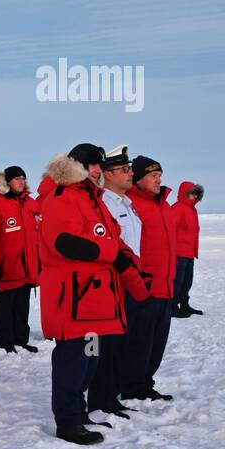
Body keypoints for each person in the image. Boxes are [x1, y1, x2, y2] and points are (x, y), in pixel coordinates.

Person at [38, 143, 147, 445]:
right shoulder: (62, 199)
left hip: (93, 300)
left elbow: (111, 236)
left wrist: (128, 262)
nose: (100, 170)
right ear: (79, 166)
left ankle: (79, 413)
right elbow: (66, 243)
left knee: (89, 361)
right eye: (95, 165)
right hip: (73, 299)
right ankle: (68, 422)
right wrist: (114, 253)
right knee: (73, 363)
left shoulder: (91, 198)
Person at [87, 145, 141, 419]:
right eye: (124, 170)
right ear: (107, 174)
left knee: (121, 345)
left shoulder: (126, 204)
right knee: (103, 346)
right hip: (110, 284)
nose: (130, 174)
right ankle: (99, 398)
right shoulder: (104, 203)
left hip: (128, 281)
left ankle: (112, 396)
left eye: (129, 169)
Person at [123, 156, 178, 401]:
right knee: (139, 341)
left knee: (157, 342)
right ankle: (132, 385)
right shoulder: (131, 204)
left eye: (159, 175)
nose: (158, 180)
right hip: (144, 287)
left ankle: (145, 382)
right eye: (153, 175)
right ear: (138, 178)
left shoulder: (164, 205)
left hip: (165, 286)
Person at [0, 166, 40, 353]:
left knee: (22, 304)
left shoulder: (29, 202)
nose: (21, 182)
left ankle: (21, 339)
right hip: (7, 265)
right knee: (5, 306)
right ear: (7, 182)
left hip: (27, 265)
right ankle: (6, 342)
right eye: (17, 179)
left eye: (23, 178)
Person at [173, 181, 204, 317]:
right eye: (192, 193)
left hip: (189, 253)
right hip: (178, 252)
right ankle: (173, 307)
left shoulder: (191, 209)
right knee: (177, 282)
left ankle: (184, 305)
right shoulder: (178, 208)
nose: (194, 196)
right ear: (184, 193)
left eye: (196, 194)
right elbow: (170, 229)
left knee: (187, 282)